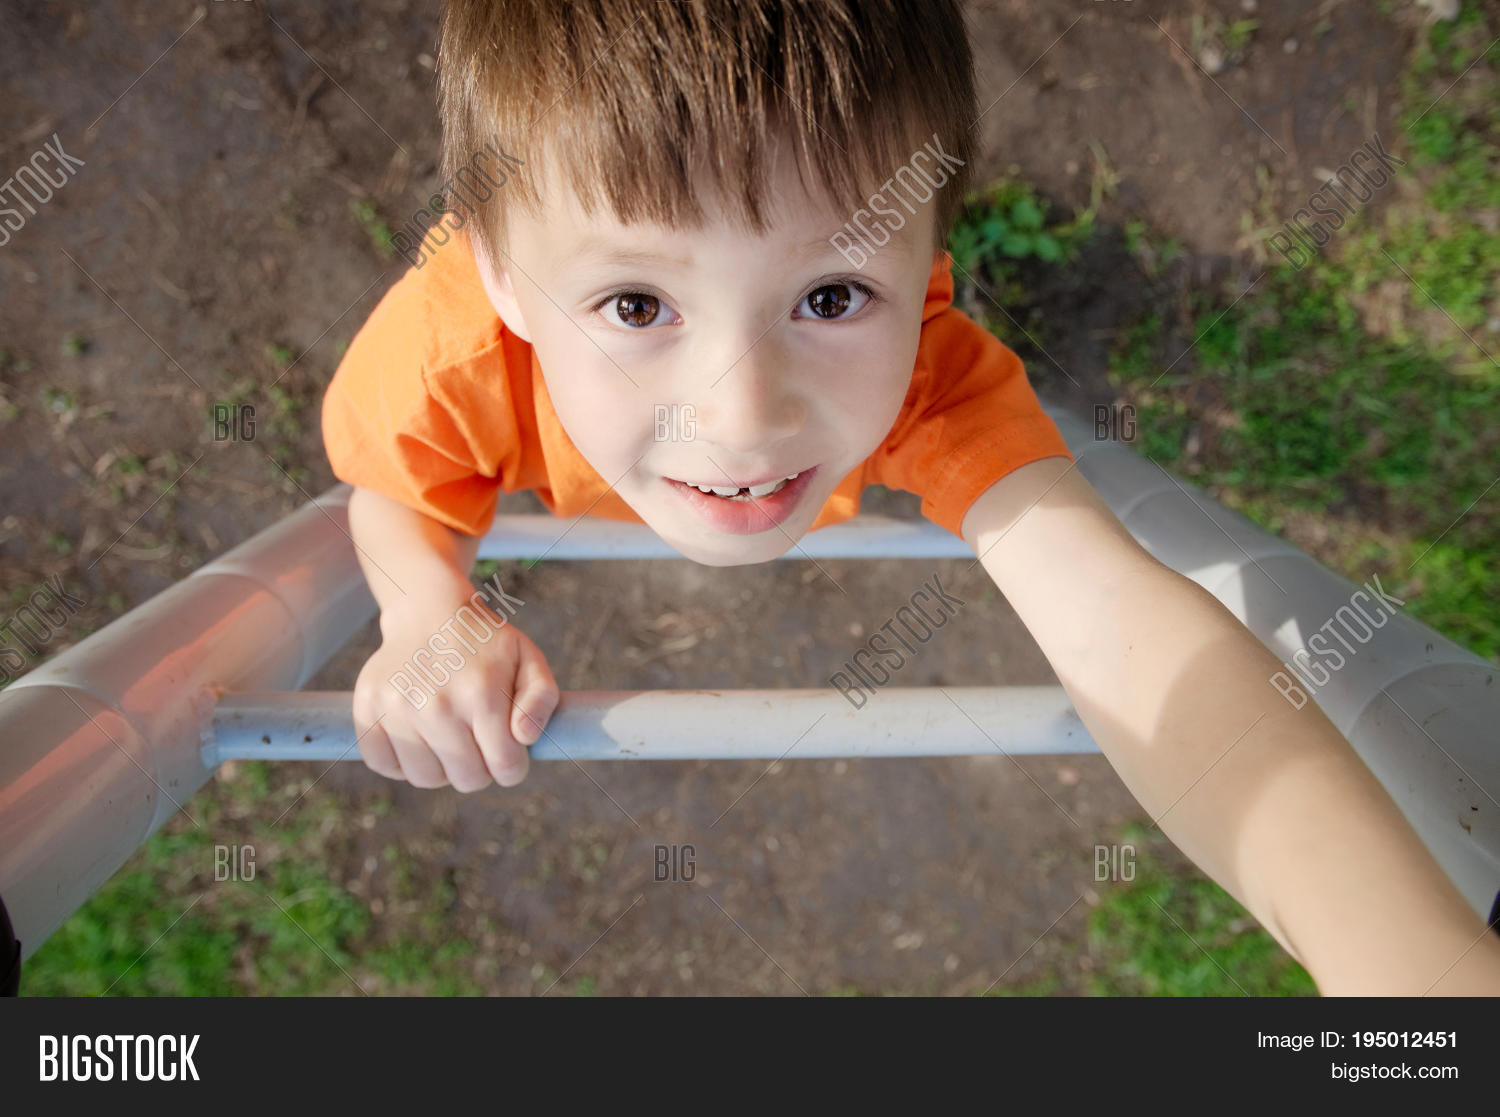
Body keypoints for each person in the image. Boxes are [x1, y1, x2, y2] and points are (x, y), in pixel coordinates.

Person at [320, 0, 1500, 994]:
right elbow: (395, 484)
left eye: (832, 295)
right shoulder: (444, 355)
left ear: (928, 261)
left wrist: (1408, 975)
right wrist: (425, 608)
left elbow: (1113, 613)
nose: (743, 416)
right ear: (497, 274)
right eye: (637, 306)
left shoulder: (935, 373)